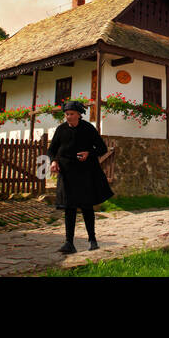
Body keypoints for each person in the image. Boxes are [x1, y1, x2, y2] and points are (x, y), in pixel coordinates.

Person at [48, 100, 114, 253]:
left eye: (71, 114)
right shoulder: (61, 130)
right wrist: (53, 161)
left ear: (78, 115)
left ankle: (92, 240)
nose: (68, 117)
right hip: (67, 173)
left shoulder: (88, 129)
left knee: (86, 206)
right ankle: (69, 243)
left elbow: (102, 148)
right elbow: (52, 149)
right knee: (69, 208)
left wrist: (88, 153)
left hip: (85, 172)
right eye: (66, 114)